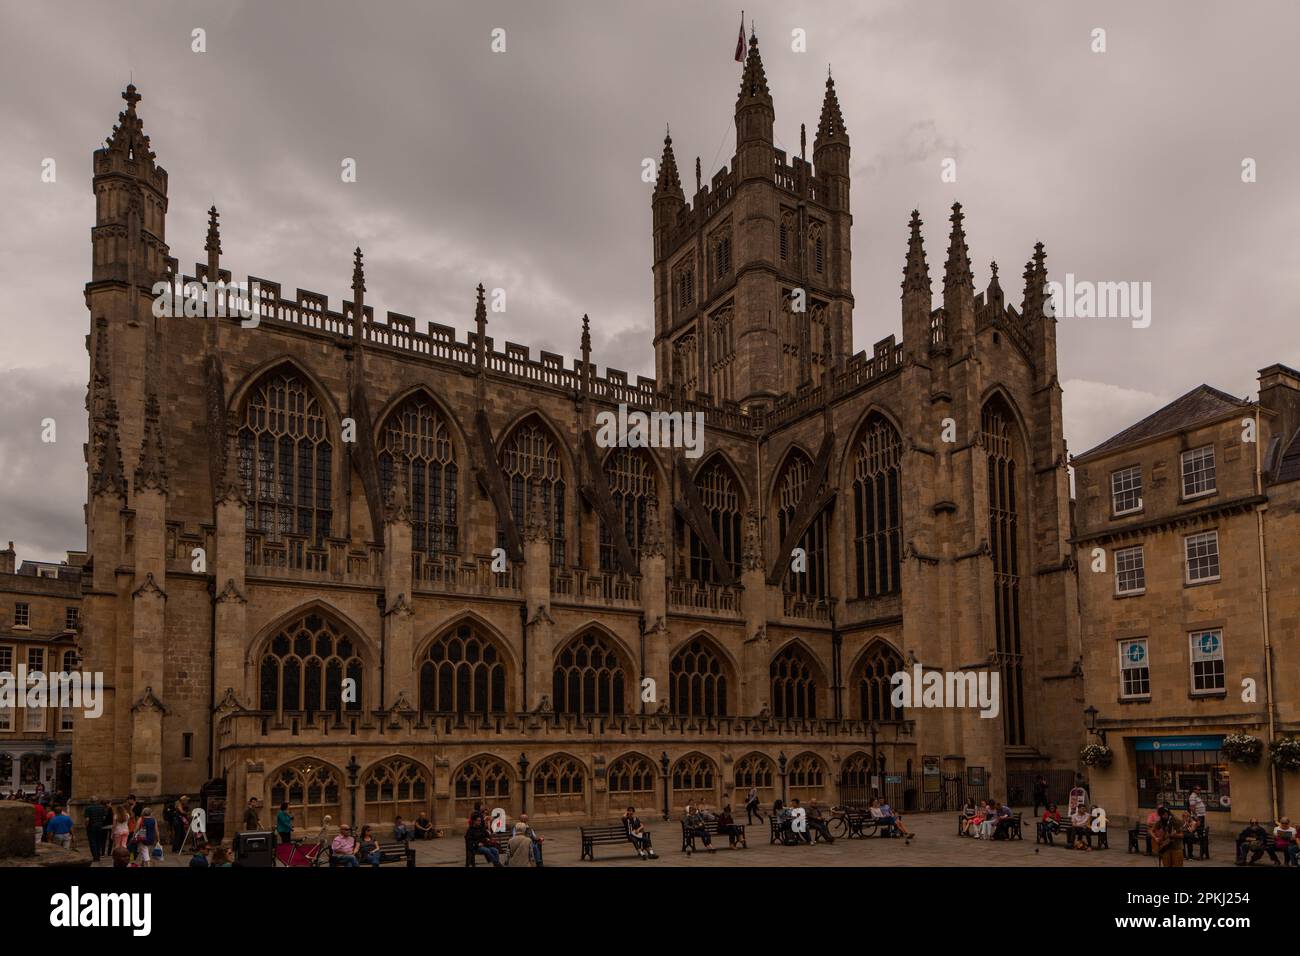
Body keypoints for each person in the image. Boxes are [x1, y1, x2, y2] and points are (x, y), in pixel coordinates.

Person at [84, 797, 109, 862]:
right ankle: (98, 856)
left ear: (90, 801)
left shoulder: (88, 808)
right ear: (97, 801)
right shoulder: (102, 807)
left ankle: (95, 857)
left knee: (92, 842)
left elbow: (87, 819)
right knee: (98, 841)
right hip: (99, 826)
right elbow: (104, 817)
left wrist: (86, 825)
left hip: (91, 827)